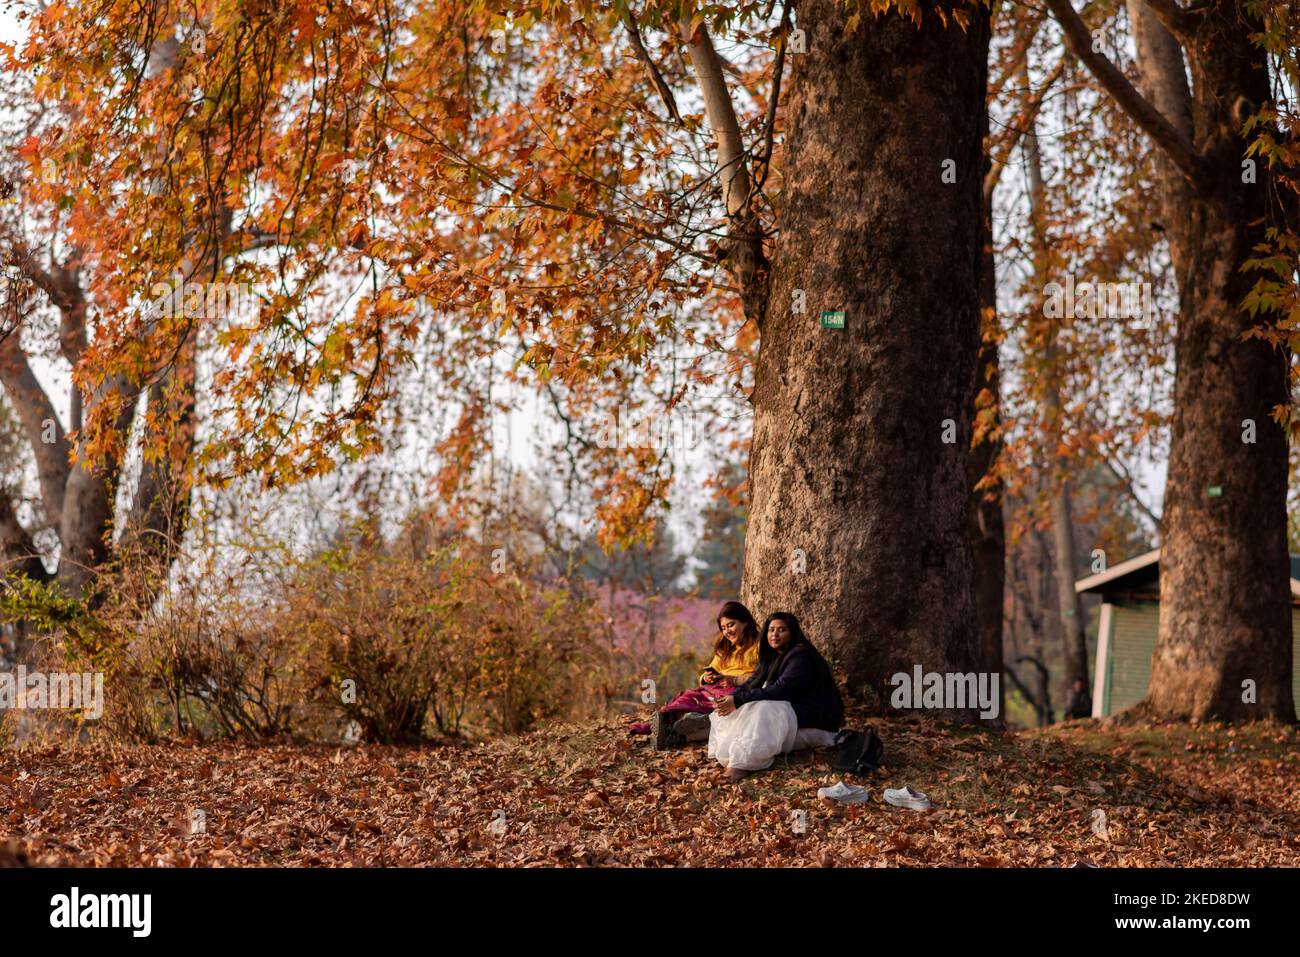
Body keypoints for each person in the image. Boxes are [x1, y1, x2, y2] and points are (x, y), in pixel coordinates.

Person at [708, 612, 843, 782]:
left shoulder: (802, 655)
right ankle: (733, 753)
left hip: (816, 721)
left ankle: (741, 764)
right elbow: (751, 683)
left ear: (792, 632)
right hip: (792, 716)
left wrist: (739, 700)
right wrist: (733, 698)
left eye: (782, 630)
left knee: (764, 707)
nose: (775, 634)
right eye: (771, 630)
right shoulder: (771, 655)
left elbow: (782, 691)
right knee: (742, 706)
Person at [629, 600, 760, 749]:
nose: (727, 631)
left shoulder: (758, 647)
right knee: (687, 698)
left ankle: (684, 725)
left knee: (710, 706)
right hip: (712, 688)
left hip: (734, 690)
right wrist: (706, 678)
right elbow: (709, 670)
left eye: (731, 625)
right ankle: (664, 723)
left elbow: (761, 676)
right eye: (723, 628)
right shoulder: (725, 649)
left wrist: (734, 680)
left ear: (745, 622)